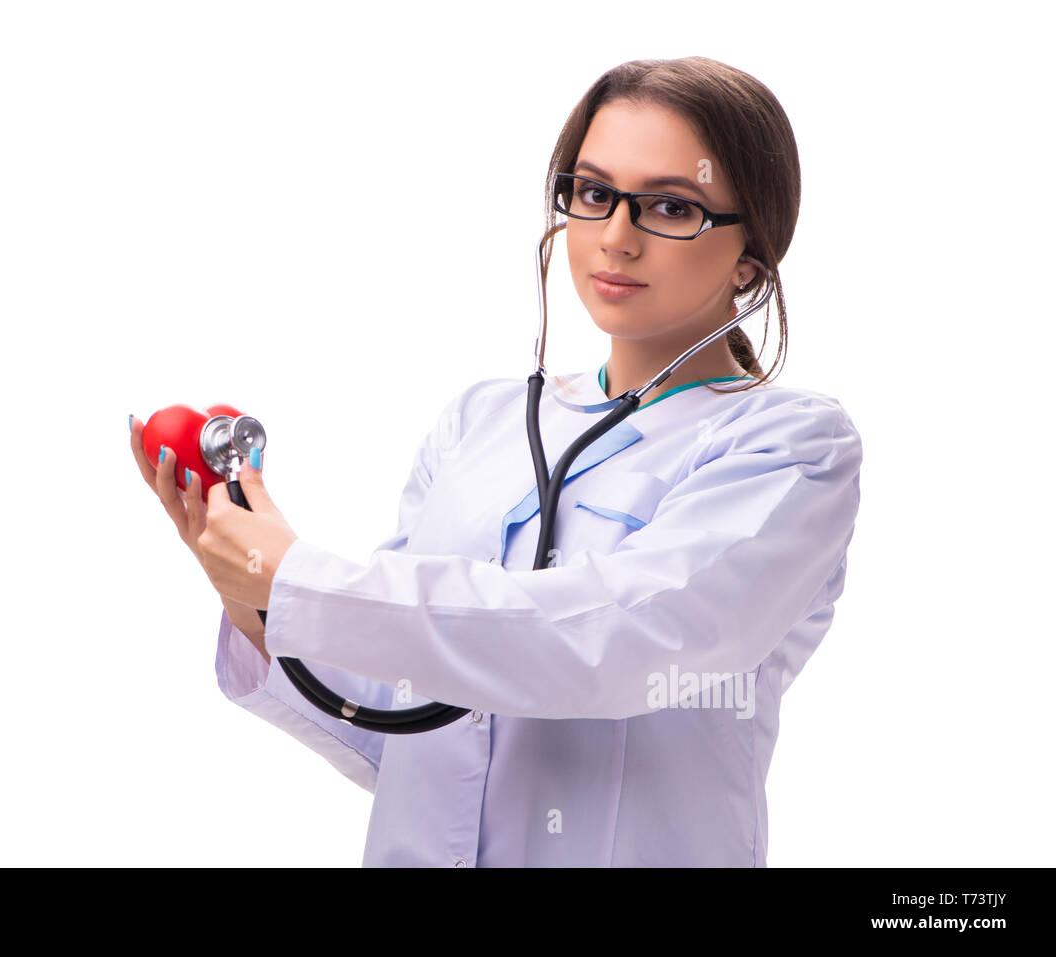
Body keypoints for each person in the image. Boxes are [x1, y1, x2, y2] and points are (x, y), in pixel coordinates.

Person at [130, 55, 863, 867]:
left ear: (752, 253)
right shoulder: (480, 422)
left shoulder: (791, 448)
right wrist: (256, 599)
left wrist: (301, 579)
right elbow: (403, 721)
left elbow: (619, 637)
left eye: (670, 206)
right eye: (593, 193)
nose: (615, 237)